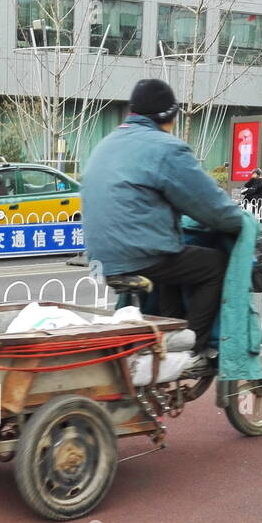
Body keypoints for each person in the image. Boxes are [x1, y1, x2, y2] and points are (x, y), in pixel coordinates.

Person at [81, 78, 248, 367]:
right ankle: (192, 349)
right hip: (141, 255)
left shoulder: (106, 143)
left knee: (172, 262)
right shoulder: (166, 149)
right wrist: (242, 224)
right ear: (170, 117)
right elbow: (208, 204)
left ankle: (168, 345)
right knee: (214, 266)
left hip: (102, 260)